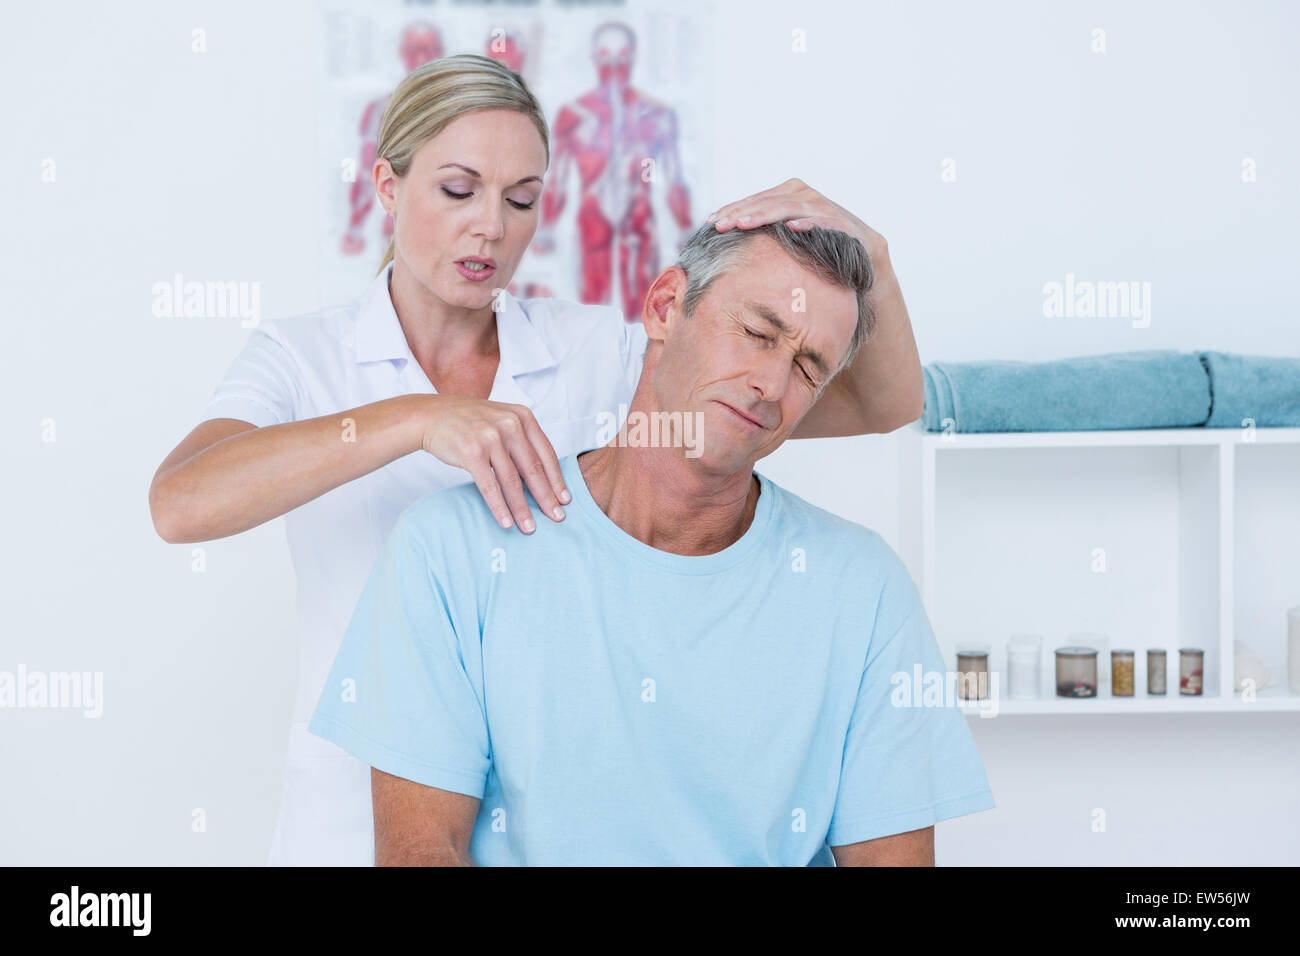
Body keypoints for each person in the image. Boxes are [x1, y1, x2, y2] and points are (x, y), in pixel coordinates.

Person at [148, 53, 925, 866]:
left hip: (541, 812)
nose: (492, 226)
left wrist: (873, 257)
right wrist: (417, 419)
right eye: (458, 189)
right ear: (386, 186)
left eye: (522, 200)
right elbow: (182, 502)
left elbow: (879, 403)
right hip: (352, 813)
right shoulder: (304, 357)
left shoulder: (588, 350)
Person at [308, 219, 994, 866]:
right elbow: (421, 852)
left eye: (809, 366)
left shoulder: (861, 586)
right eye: (758, 331)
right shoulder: (451, 551)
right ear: (666, 306)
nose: (771, 384)